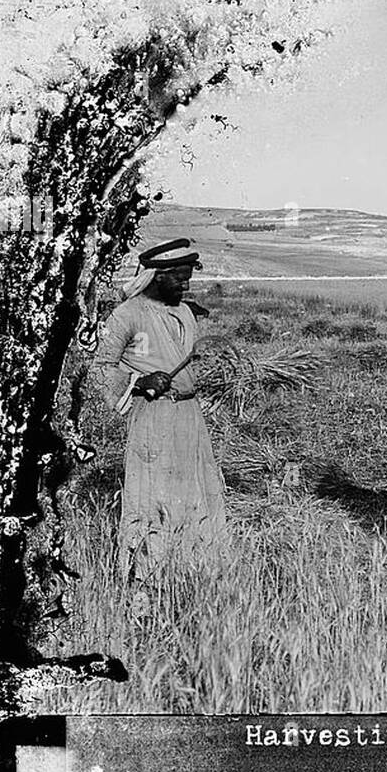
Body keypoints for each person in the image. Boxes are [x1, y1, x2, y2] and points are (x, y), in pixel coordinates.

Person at [94, 238, 227, 572]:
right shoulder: (127, 315)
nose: (185, 284)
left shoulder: (184, 311)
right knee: (154, 493)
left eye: (187, 277)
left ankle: (193, 566)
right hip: (154, 416)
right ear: (156, 275)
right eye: (178, 278)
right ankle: (147, 572)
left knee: (194, 487)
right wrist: (139, 382)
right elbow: (100, 367)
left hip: (189, 416)